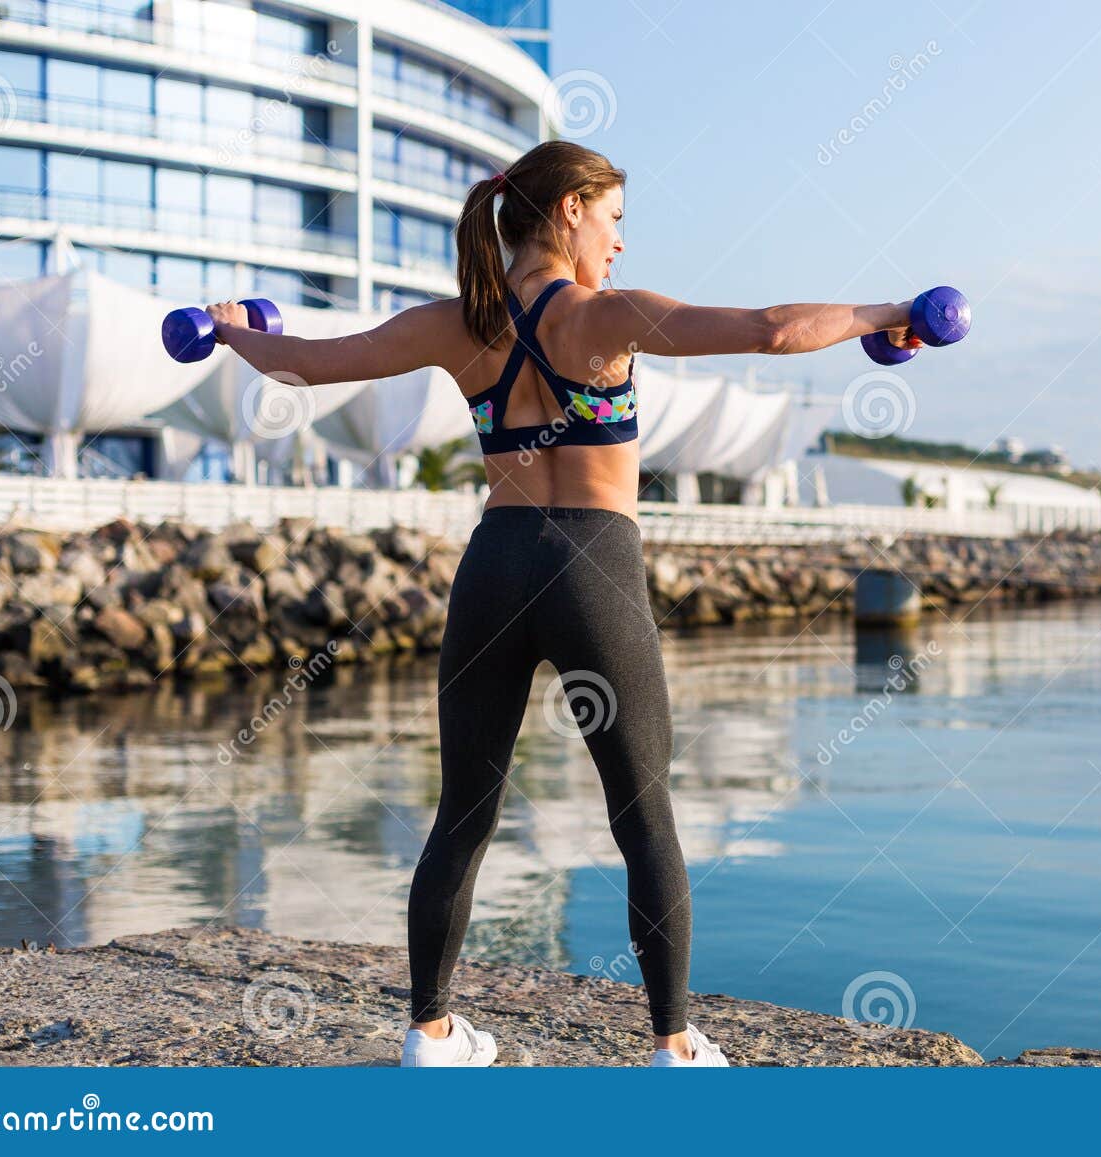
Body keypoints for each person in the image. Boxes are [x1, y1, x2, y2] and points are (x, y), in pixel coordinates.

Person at [203, 139, 924, 1068]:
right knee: (642, 810)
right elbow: (774, 329)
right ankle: (672, 1044)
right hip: (592, 567)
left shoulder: (452, 324)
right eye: (615, 219)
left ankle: (430, 1032)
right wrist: (889, 312)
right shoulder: (605, 315)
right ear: (573, 208)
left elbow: (303, 363)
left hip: (493, 566)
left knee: (463, 810)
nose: (620, 243)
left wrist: (229, 329)